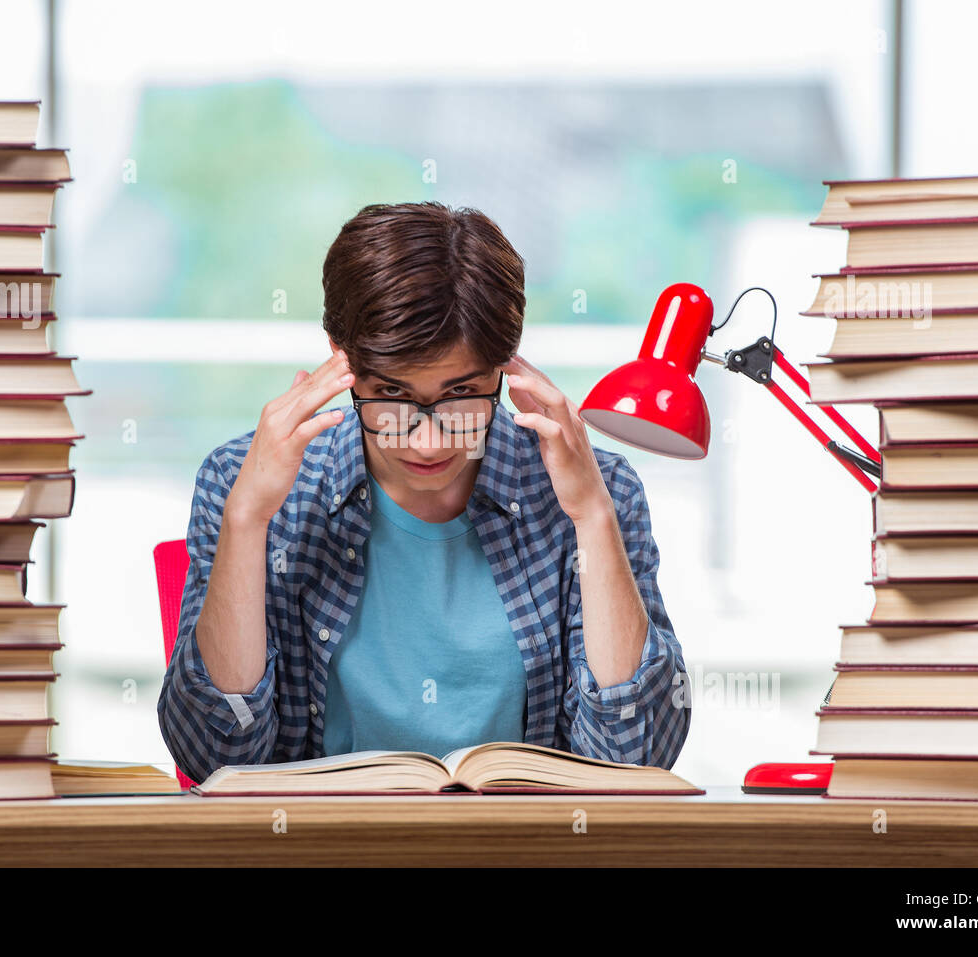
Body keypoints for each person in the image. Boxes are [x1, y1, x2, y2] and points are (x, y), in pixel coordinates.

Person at [158, 201, 690, 783]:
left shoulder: (598, 487)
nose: (429, 438)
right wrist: (246, 519)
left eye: (461, 392)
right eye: (391, 392)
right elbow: (215, 758)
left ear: (505, 368)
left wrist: (592, 516)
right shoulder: (241, 480)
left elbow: (632, 760)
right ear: (341, 356)